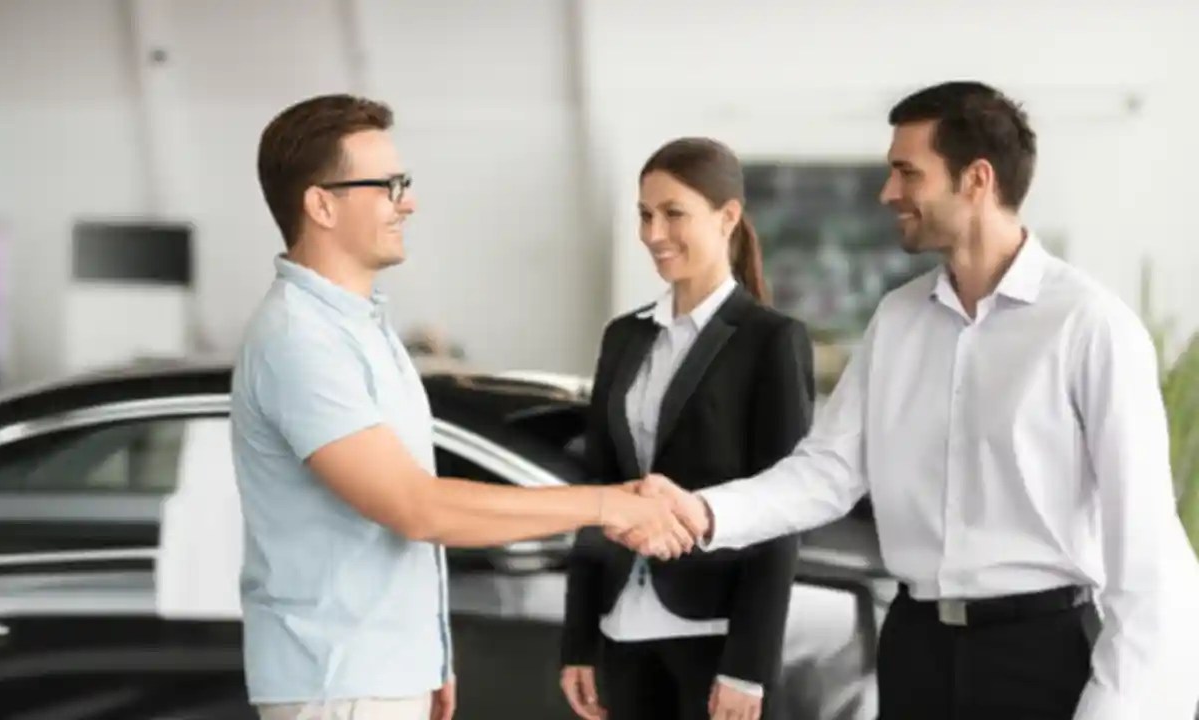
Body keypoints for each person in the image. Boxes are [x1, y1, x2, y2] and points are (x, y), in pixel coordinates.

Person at [624, 81, 1199, 720]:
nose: (888, 193)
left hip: (1043, 653)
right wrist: (702, 512)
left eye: (907, 173)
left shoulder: (1089, 325)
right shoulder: (897, 319)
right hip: (916, 646)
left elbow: (1146, 554)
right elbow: (829, 471)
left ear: (976, 180)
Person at [230, 93, 694, 720]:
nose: (408, 201)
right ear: (321, 204)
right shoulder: (299, 340)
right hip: (338, 680)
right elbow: (415, 506)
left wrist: (427, 661)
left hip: (378, 674)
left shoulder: (358, 327)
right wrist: (608, 504)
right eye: (389, 185)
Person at [559, 137, 816, 720]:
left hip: (716, 634)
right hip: (621, 626)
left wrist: (749, 667)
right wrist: (578, 639)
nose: (653, 233)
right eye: (645, 214)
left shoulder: (770, 340)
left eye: (673, 213)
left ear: (727, 217)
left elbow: (783, 509)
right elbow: (595, 490)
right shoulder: (625, 338)